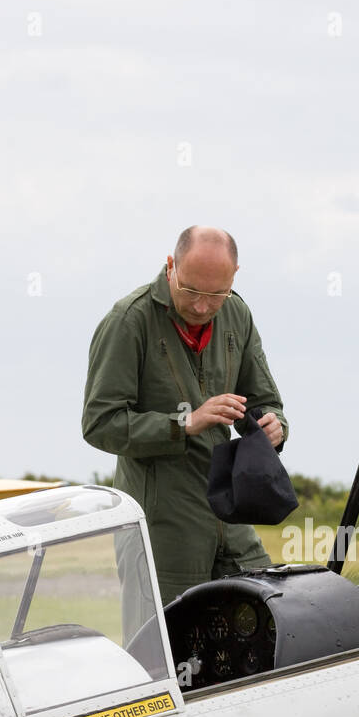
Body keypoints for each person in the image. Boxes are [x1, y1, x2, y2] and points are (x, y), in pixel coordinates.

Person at [82, 226, 289, 611]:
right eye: (191, 290)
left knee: (268, 613)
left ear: (234, 277)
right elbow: (99, 423)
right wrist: (184, 424)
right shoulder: (128, 321)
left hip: (229, 509)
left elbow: (263, 400)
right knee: (167, 643)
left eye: (215, 294)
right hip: (161, 522)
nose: (201, 306)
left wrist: (274, 424)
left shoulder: (237, 313)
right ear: (170, 266)